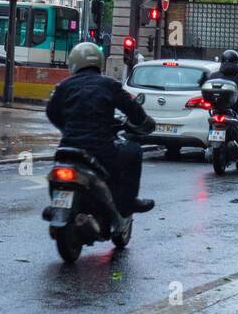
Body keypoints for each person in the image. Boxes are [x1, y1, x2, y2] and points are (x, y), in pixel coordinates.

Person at [45, 41, 156, 219]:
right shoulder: (109, 85)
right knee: (134, 151)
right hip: (100, 150)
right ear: (99, 62)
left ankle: (57, 204)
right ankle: (128, 203)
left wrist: (67, 129)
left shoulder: (63, 86)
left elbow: (52, 112)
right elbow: (133, 110)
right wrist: (144, 122)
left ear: (73, 62)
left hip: (67, 149)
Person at [206, 49, 238, 146]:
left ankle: (210, 141)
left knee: (212, 120)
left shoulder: (214, 76)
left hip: (217, 110)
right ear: (237, 62)